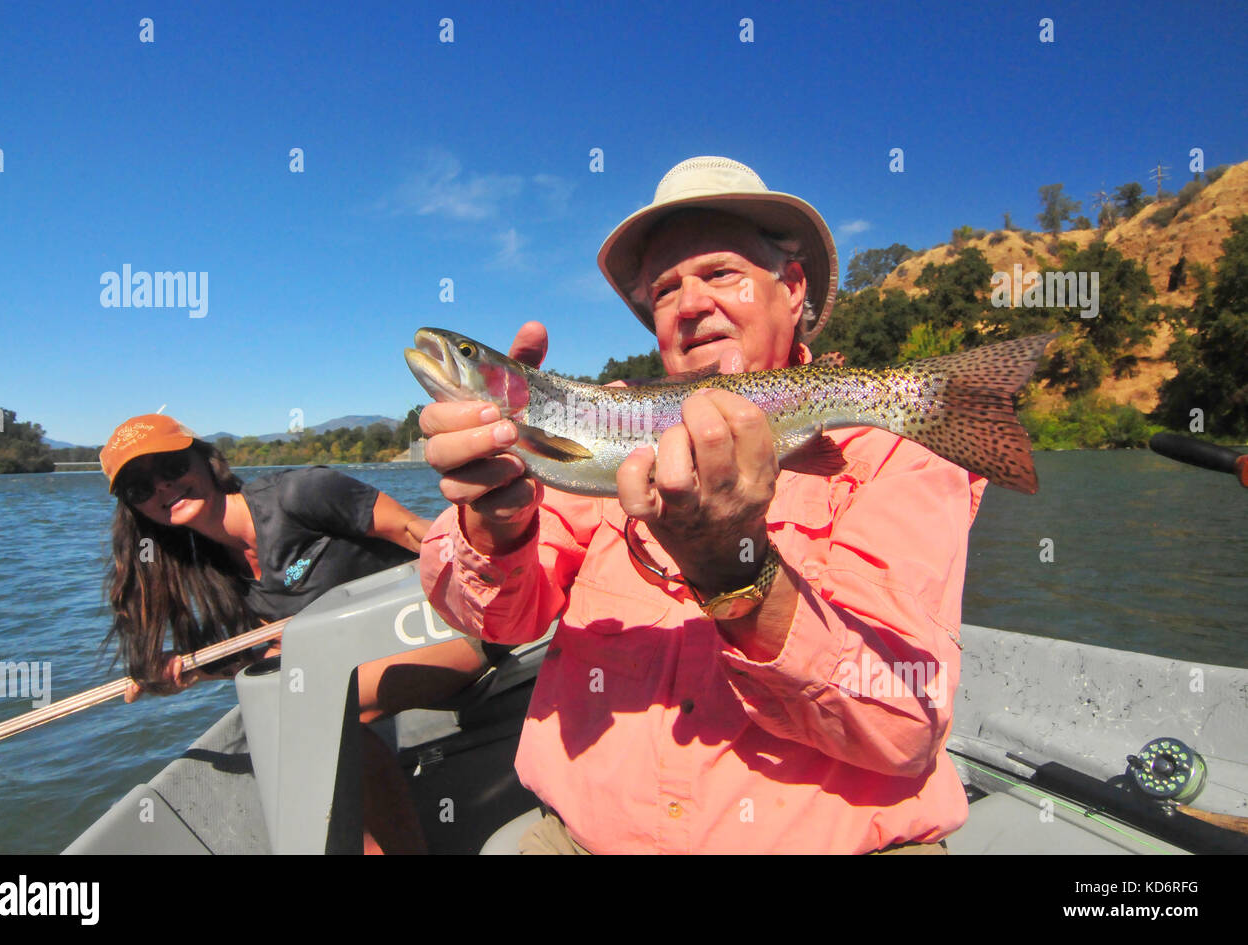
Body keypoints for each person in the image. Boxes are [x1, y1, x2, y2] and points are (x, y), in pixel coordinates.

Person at [417, 156, 985, 854]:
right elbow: (500, 620)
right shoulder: (610, 420)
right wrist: (495, 523)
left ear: (793, 286)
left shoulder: (895, 453)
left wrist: (734, 570)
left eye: (720, 274)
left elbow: (905, 721)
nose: (689, 304)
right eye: (665, 289)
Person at [100, 413, 499, 852]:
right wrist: (190, 672)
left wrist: (500, 582)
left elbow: (415, 531)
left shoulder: (299, 494)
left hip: (455, 633)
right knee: (291, 709)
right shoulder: (214, 570)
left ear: (205, 460)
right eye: (140, 488)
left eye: (172, 467)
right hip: (369, 674)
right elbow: (273, 652)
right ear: (136, 509)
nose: (162, 488)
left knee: (309, 710)